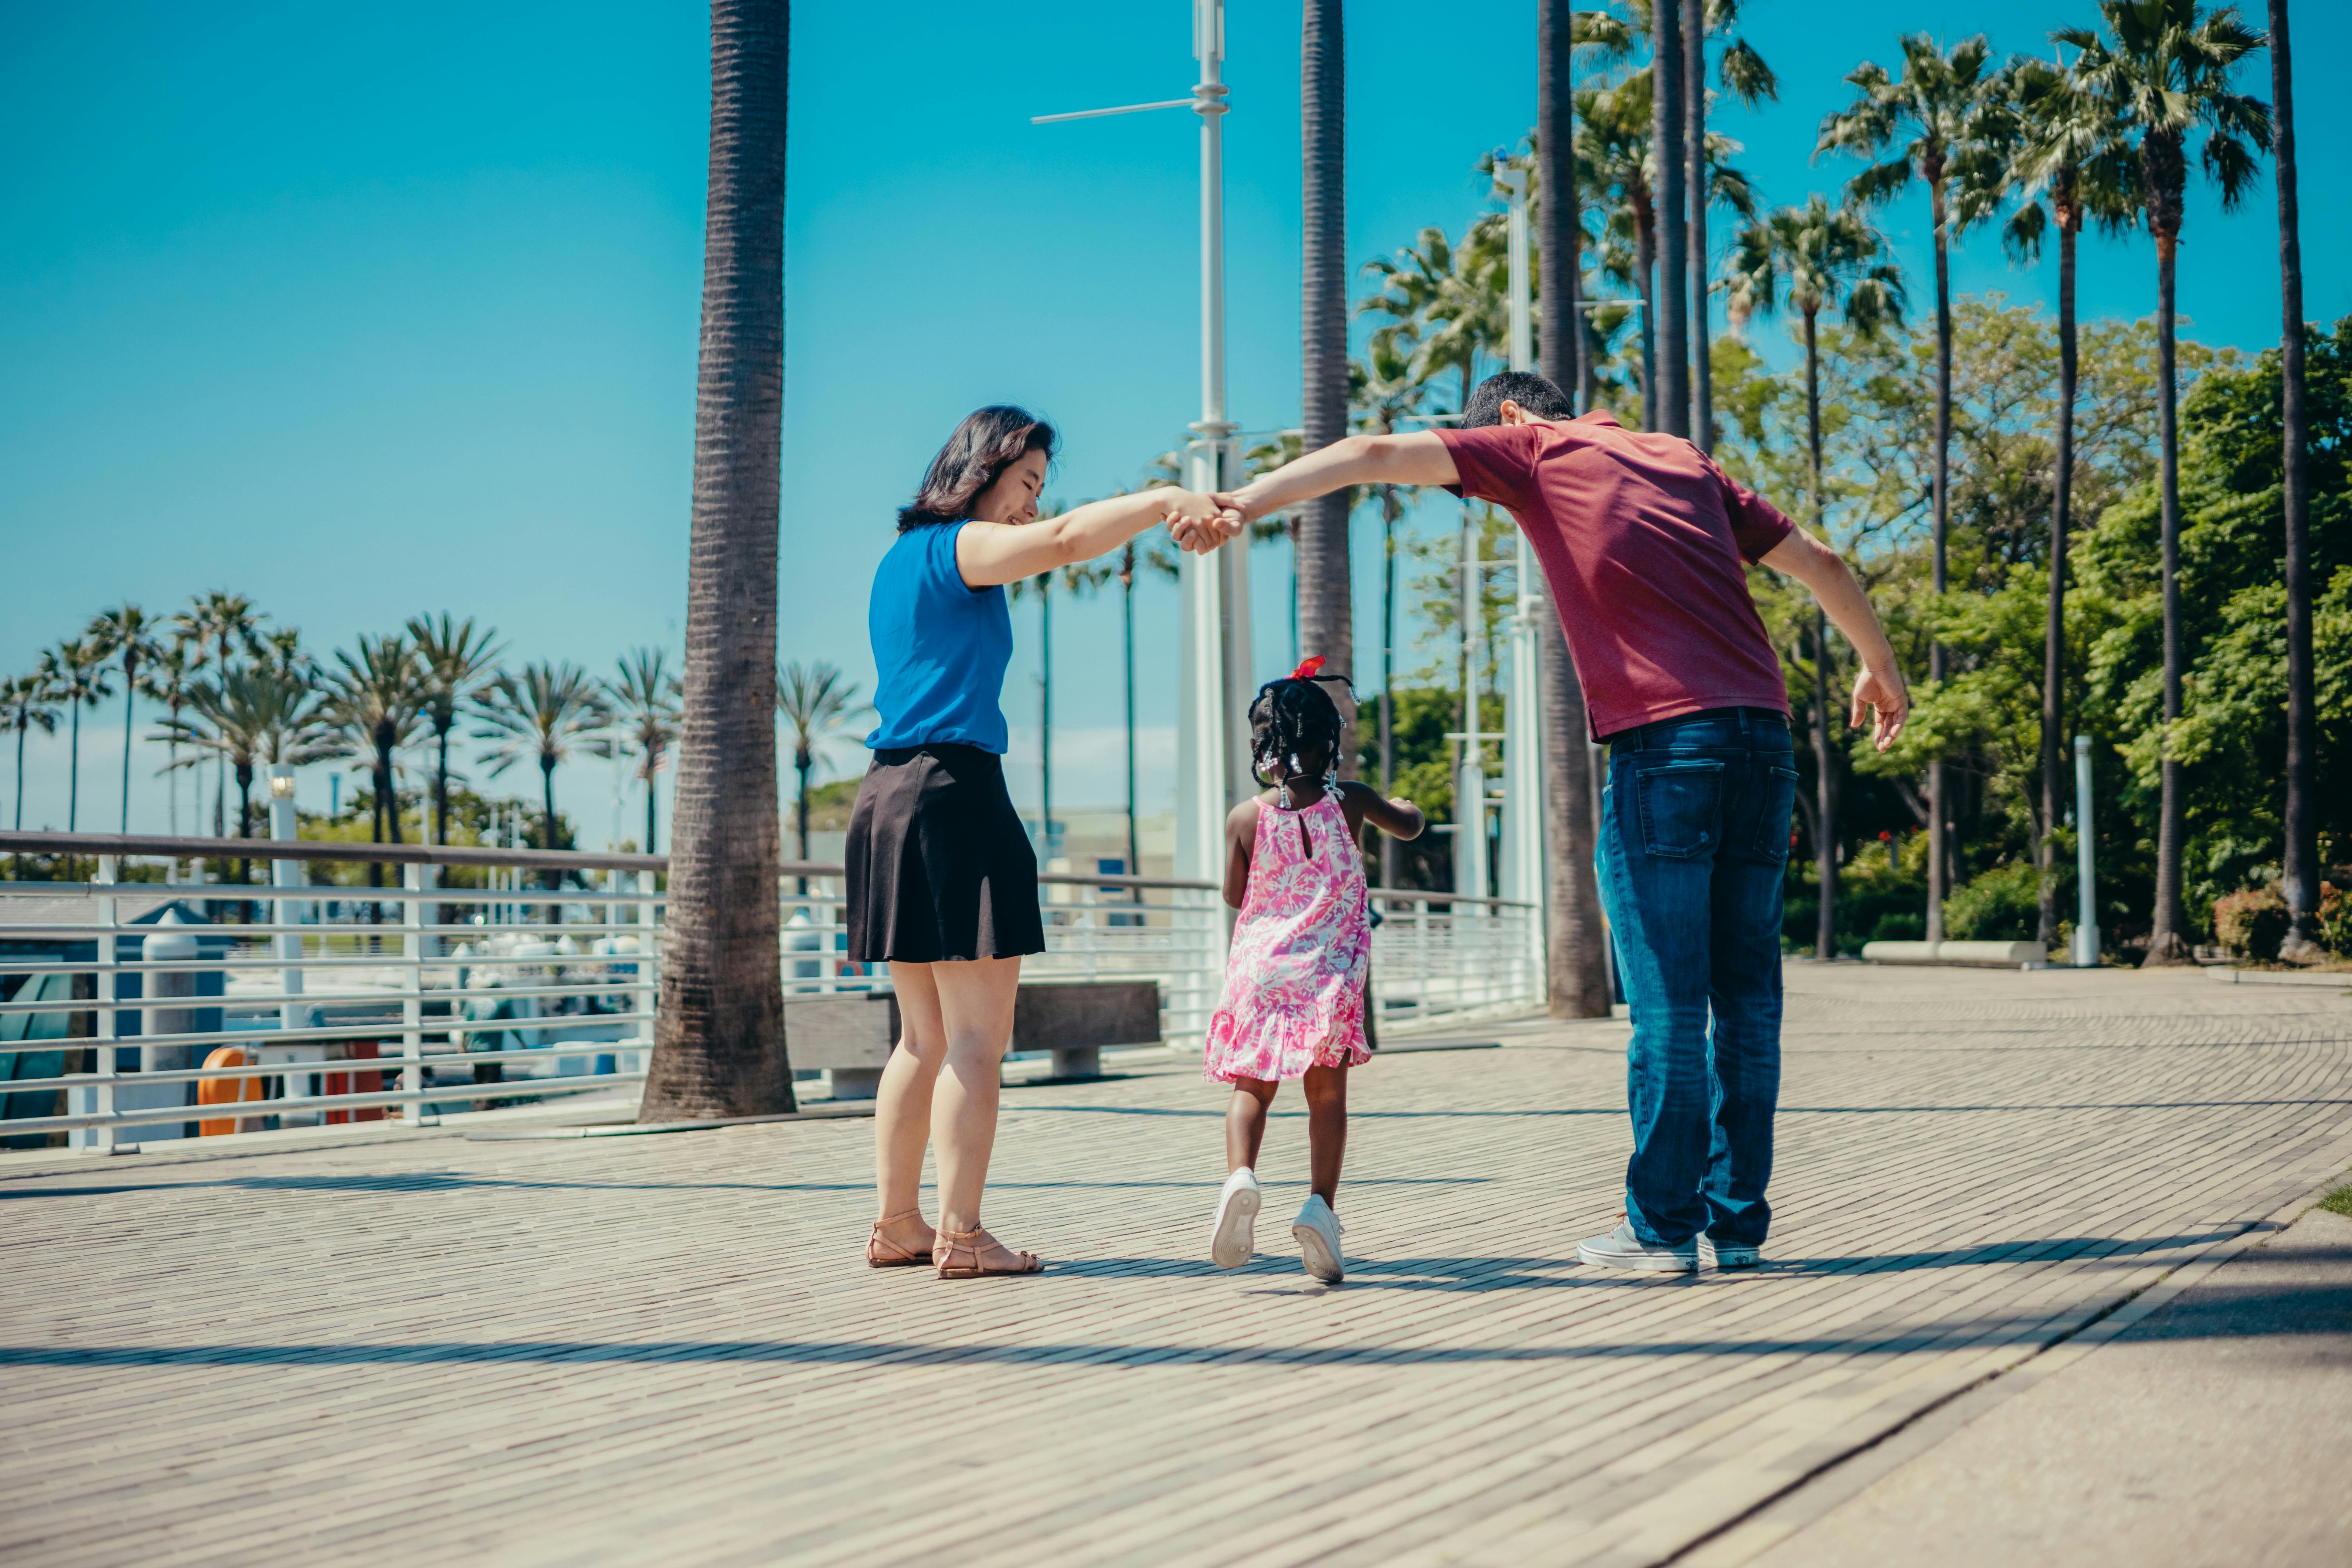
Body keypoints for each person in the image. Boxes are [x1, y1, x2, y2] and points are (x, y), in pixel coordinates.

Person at [1200, 371, 1908, 1274]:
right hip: (1763, 743)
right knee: (1747, 1005)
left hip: (1666, 749)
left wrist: (1241, 500)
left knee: (1667, 1005)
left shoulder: (1537, 449)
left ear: (1506, 418)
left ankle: (1659, 1233)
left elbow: (1373, 454)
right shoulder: (1682, 458)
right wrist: (1875, 661)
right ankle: (1734, 1227)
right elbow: (1821, 562)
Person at [853, 405, 1229, 1279]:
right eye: (1023, 484)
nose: (1029, 504)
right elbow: (1063, 544)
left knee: (920, 1039)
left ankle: (898, 1222)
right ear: (980, 472)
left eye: (1037, 491)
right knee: (977, 1039)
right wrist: (1165, 497)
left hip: (887, 794)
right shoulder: (960, 548)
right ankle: (961, 1232)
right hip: (952, 793)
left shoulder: (895, 561)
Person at [1206, 657, 1425, 1284]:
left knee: (1252, 1089)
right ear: (1329, 743)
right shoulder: (1349, 802)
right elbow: (1409, 826)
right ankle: (1320, 1210)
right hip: (1326, 977)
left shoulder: (1245, 817)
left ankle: (1240, 1178)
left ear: (1262, 746)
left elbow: (1234, 894)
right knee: (1326, 1096)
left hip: (1260, 974)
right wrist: (1406, 808)